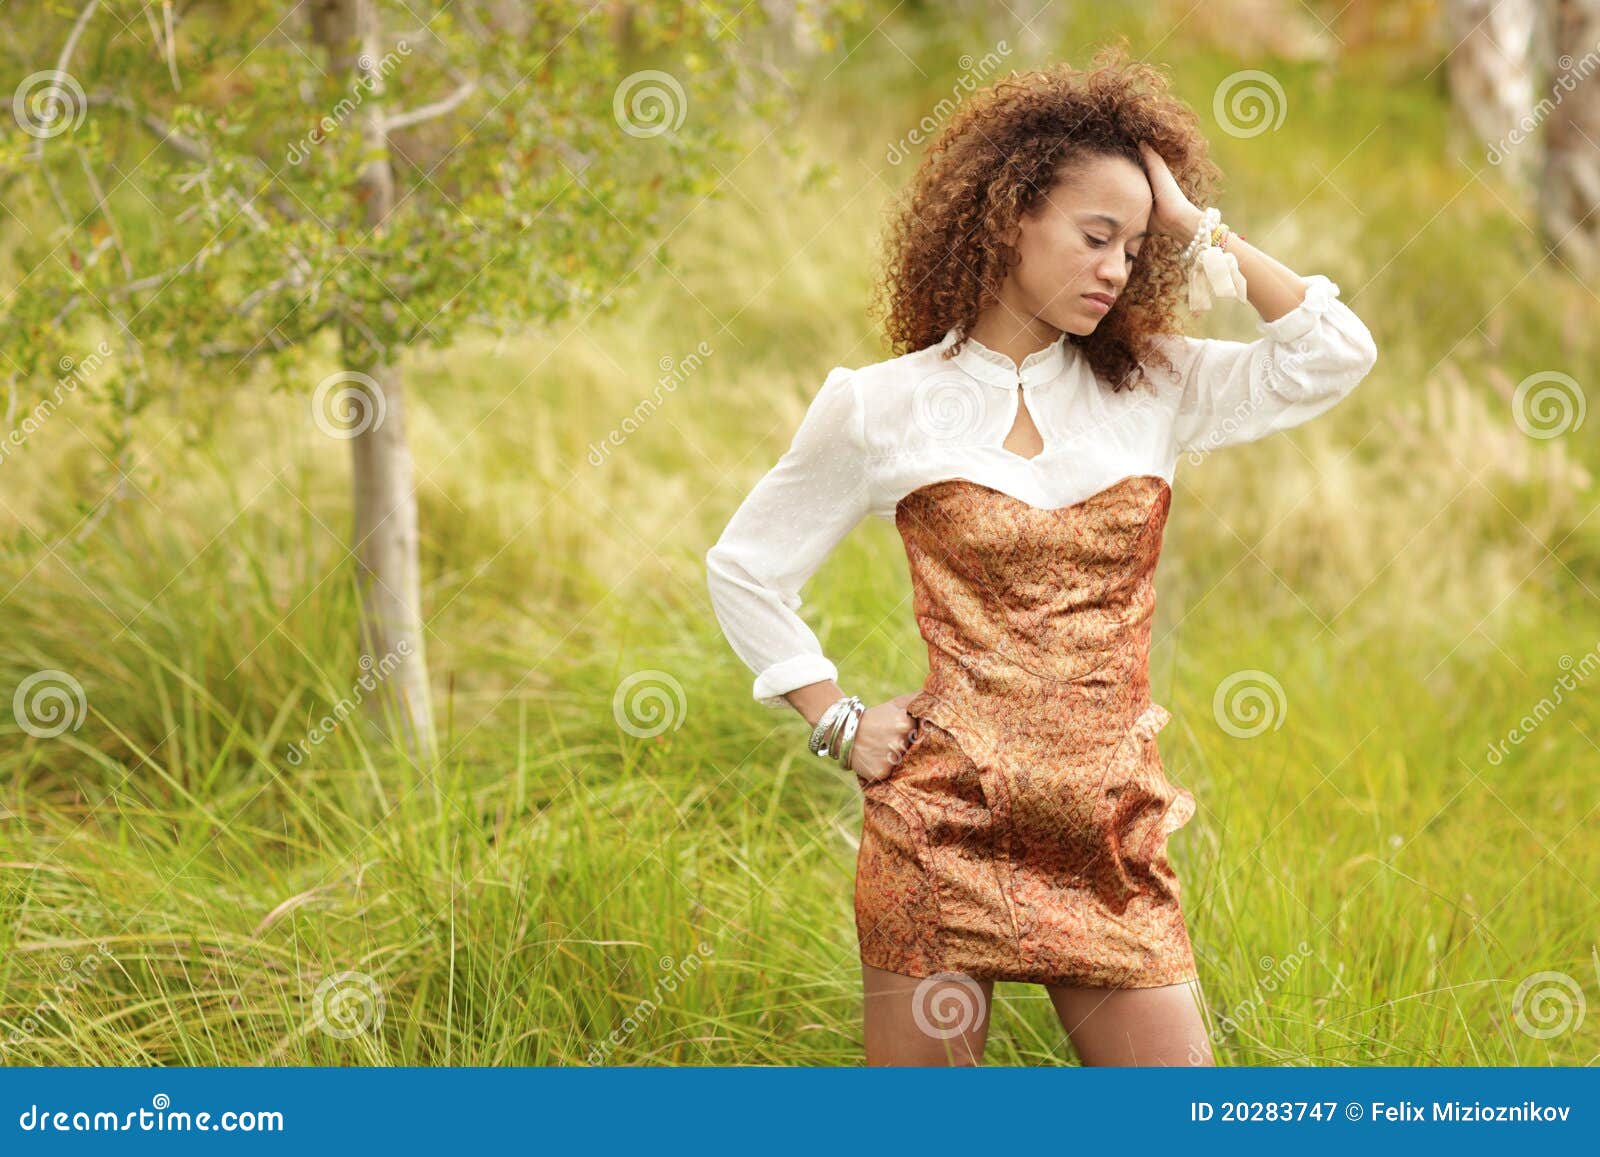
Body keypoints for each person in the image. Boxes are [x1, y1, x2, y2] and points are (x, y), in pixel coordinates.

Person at [704, 47, 1377, 1067]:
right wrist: (834, 717)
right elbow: (747, 565)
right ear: (1010, 215)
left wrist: (1199, 229)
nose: (1116, 268)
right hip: (941, 822)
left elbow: (1332, 354)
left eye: (1134, 246)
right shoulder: (879, 402)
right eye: (1095, 235)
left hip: (1108, 828)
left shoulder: (1154, 381)